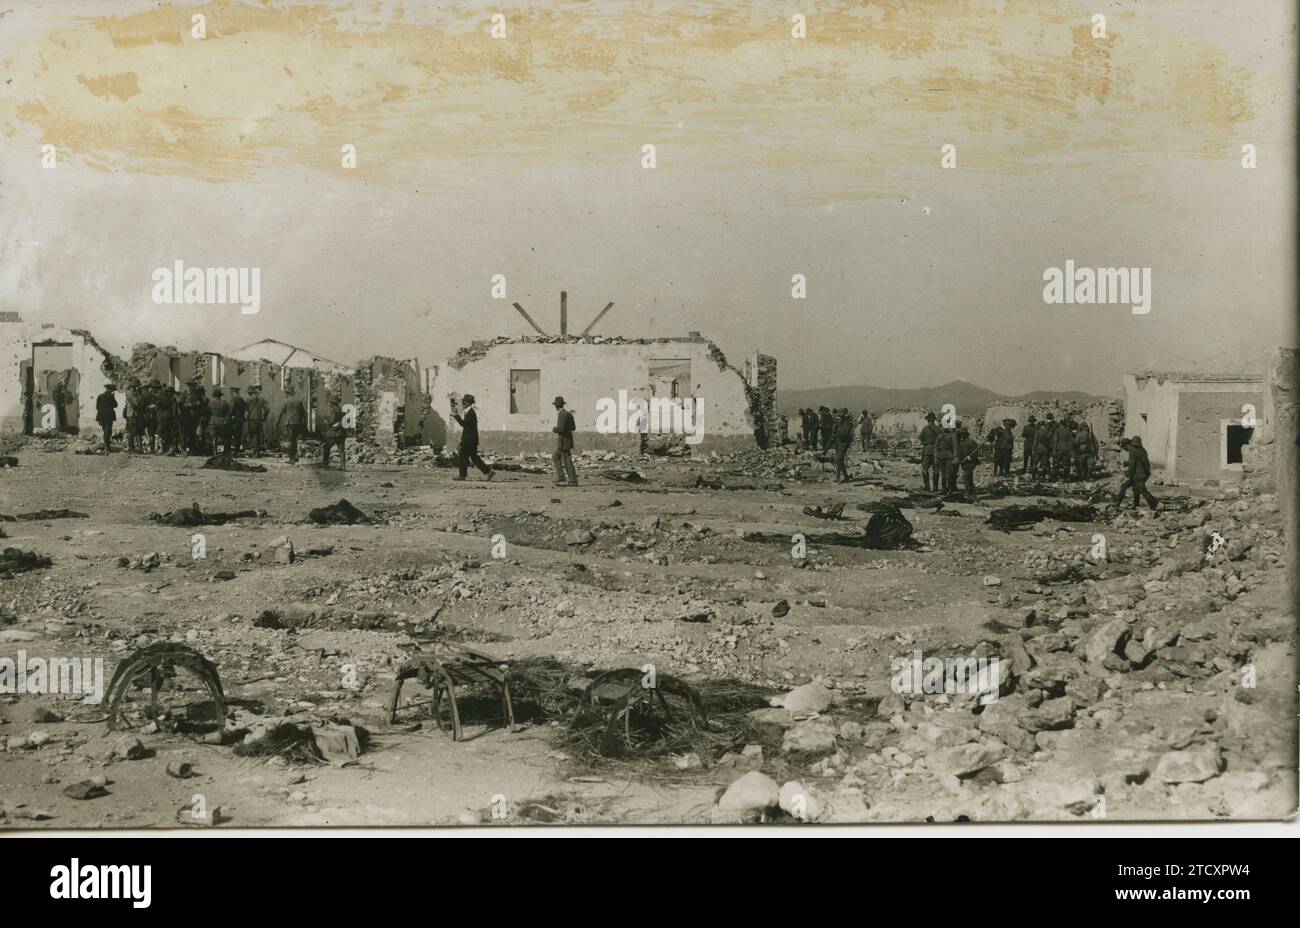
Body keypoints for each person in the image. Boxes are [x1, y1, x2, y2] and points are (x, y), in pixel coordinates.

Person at [451, 393, 494, 481]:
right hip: (471, 439)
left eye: (463, 403)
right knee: (474, 457)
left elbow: (465, 425)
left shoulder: (470, 413)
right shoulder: (470, 412)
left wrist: (456, 415)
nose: (461, 405)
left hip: (469, 440)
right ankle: (488, 471)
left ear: (466, 403)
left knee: (463, 456)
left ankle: (462, 476)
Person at [1117, 435, 1158, 511]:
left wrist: (1126, 473)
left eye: (1124, 448)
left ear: (1126, 445)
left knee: (1139, 489)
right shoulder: (1142, 449)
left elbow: (1132, 465)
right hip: (1144, 473)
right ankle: (1136, 505)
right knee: (1136, 489)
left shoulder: (1133, 451)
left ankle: (1153, 502)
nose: (1125, 450)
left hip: (1138, 474)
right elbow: (1140, 461)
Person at [277, 385, 307, 464]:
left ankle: (292, 458)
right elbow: (304, 413)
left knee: (290, 440)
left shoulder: (285, 401)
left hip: (289, 422)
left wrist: (276, 424)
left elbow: (279, 414)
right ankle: (296, 456)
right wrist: (305, 423)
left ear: (287, 393)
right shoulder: (299, 401)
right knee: (297, 440)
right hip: (299, 422)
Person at [551, 395, 578, 486]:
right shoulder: (569, 414)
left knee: (566, 460)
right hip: (568, 440)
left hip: (563, 441)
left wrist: (555, 429)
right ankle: (561, 476)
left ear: (556, 406)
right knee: (556, 456)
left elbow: (561, 429)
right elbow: (573, 428)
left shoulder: (562, 415)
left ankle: (573, 481)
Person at [321, 393, 346, 467]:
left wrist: (326, 422)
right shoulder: (339, 409)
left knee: (326, 447)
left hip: (333, 432)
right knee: (341, 450)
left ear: (332, 403)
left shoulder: (332, 410)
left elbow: (332, 420)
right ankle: (343, 466)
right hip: (341, 432)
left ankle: (325, 464)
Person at [957, 423, 980, 501]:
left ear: (966, 435)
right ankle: (973, 495)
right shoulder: (961, 443)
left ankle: (967, 494)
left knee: (966, 477)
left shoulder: (972, 442)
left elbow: (975, 453)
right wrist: (959, 459)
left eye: (963, 434)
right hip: (964, 463)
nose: (961, 436)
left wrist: (969, 457)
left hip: (970, 463)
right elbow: (960, 453)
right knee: (969, 479)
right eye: (961, 434)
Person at [934, 420, 958, 495]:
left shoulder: (952, 435)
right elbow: (936, 447)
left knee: (949, 473)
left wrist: (955, 457)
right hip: (940, 455)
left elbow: (955, 446)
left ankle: (950, 489)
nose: (945, 428)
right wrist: (935, 457)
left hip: (949, 456)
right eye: (943, 426)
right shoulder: (939, 435)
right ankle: (944, 488)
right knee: (943, 473)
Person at [919, 411, 941, 491]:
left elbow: (921, 438)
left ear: (928, 420)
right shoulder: (938, 429)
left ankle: (927, 487)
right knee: (936, 469)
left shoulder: (925, 429)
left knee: (925, 469)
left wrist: (926, 441)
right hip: (936, 451)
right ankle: (935, 488)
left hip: (927, 450)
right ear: (934, 420)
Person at [246, 385, 269, 456]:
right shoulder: (261, 399)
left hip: (252, 419)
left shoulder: (248, 399)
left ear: (250, 393)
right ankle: (257, 452)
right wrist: (264, 417)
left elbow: (246, 411)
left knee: (253, 435)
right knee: (258, 435)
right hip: (259, 419)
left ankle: (255, 452)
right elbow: (267, 410)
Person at [155, 385, 178, 455]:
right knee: (166, 432)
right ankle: (168, 449)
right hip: (167, 417)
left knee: (160, 431)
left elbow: (166, 406)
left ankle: (171, 447)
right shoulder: (170, 398)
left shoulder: (163, 395)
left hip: (165, 417)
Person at [96, 383, 117, 453]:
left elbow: (97, 407)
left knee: (105, 430)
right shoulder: (111, 397)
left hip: (101, 416)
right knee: (108, 431)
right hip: (109, 416)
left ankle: (106, 446)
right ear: (110, 389)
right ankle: (107, 447)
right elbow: (115, 405)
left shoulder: (100, 396)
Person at [125, 379, 146, 454]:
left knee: (134, 431)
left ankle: (133, 448)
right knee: (133, 431)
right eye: (136, 386)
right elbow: (136, 403)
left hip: (132, 414)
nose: (137, 388)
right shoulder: (131, 393)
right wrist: (140, 396)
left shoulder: (132, 393)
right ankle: (131, 448)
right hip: (133, 414)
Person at [207, 387, 229, 455]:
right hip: (222, 421)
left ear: (214, 395)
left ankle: (215, 452)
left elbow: (208, 412)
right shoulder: (225, 403)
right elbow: (228, 412)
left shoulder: (210, 403)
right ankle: (222, 452)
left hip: (213, 421)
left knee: (214, 437)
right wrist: (226, 419)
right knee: (223, 438)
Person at [834, 409, 854, 482]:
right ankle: (840, 476)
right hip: (838, 443)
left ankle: (844, 476)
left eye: (841, 415)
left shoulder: (847, 422)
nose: (840, 417)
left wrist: (838, 428)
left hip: (843, 443)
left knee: (839, 459)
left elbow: (844, 434)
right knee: (840, 460)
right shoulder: (840, 422)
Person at [227, 386, 247, 455]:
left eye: (231, 392)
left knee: (229, 434)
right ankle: (237, 451)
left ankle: (229, 451)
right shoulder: (241, 399)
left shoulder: (234, 399)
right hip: (240, 419)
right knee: (238, 436)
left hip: (234, 420)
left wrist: (228, 415)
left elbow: (231, 409)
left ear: (233, 392)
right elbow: (245, 408)